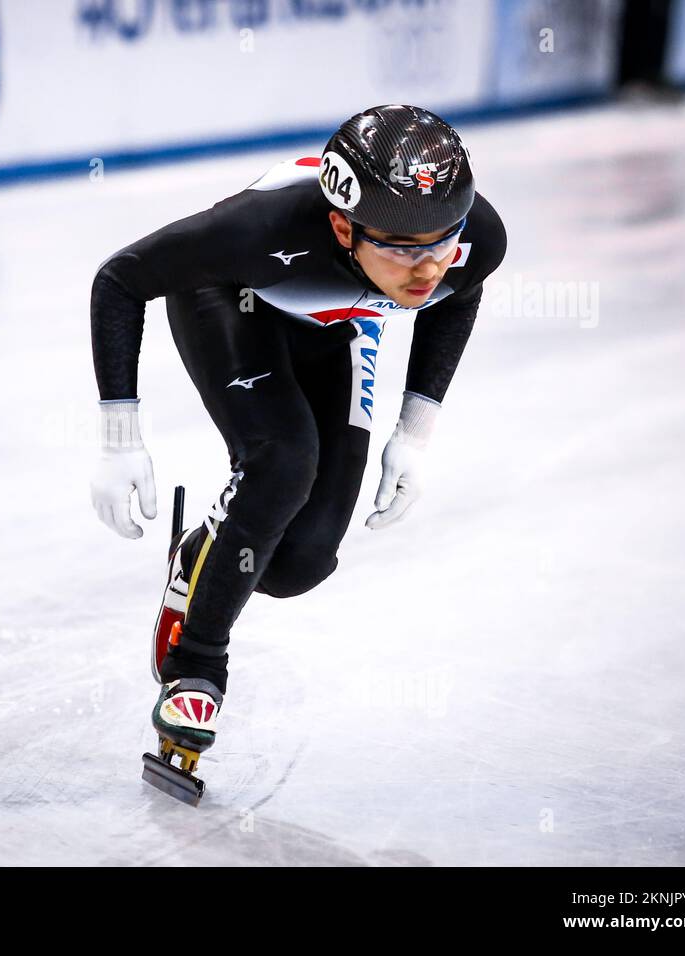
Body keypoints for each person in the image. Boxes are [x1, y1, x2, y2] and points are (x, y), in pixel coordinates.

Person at [88, 105, 508, 778]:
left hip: (335, 324)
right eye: (403, 249)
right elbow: (120, 279)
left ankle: (201, 553)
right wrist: (120, 438)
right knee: (284, 462)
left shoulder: (476, 240)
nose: (427, 268)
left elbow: (458, 294)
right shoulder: (257, 228)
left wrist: (415, 430)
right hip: (231, 298)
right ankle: (197, 670)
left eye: (442, 243)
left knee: (297, 566)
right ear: (343, 226)